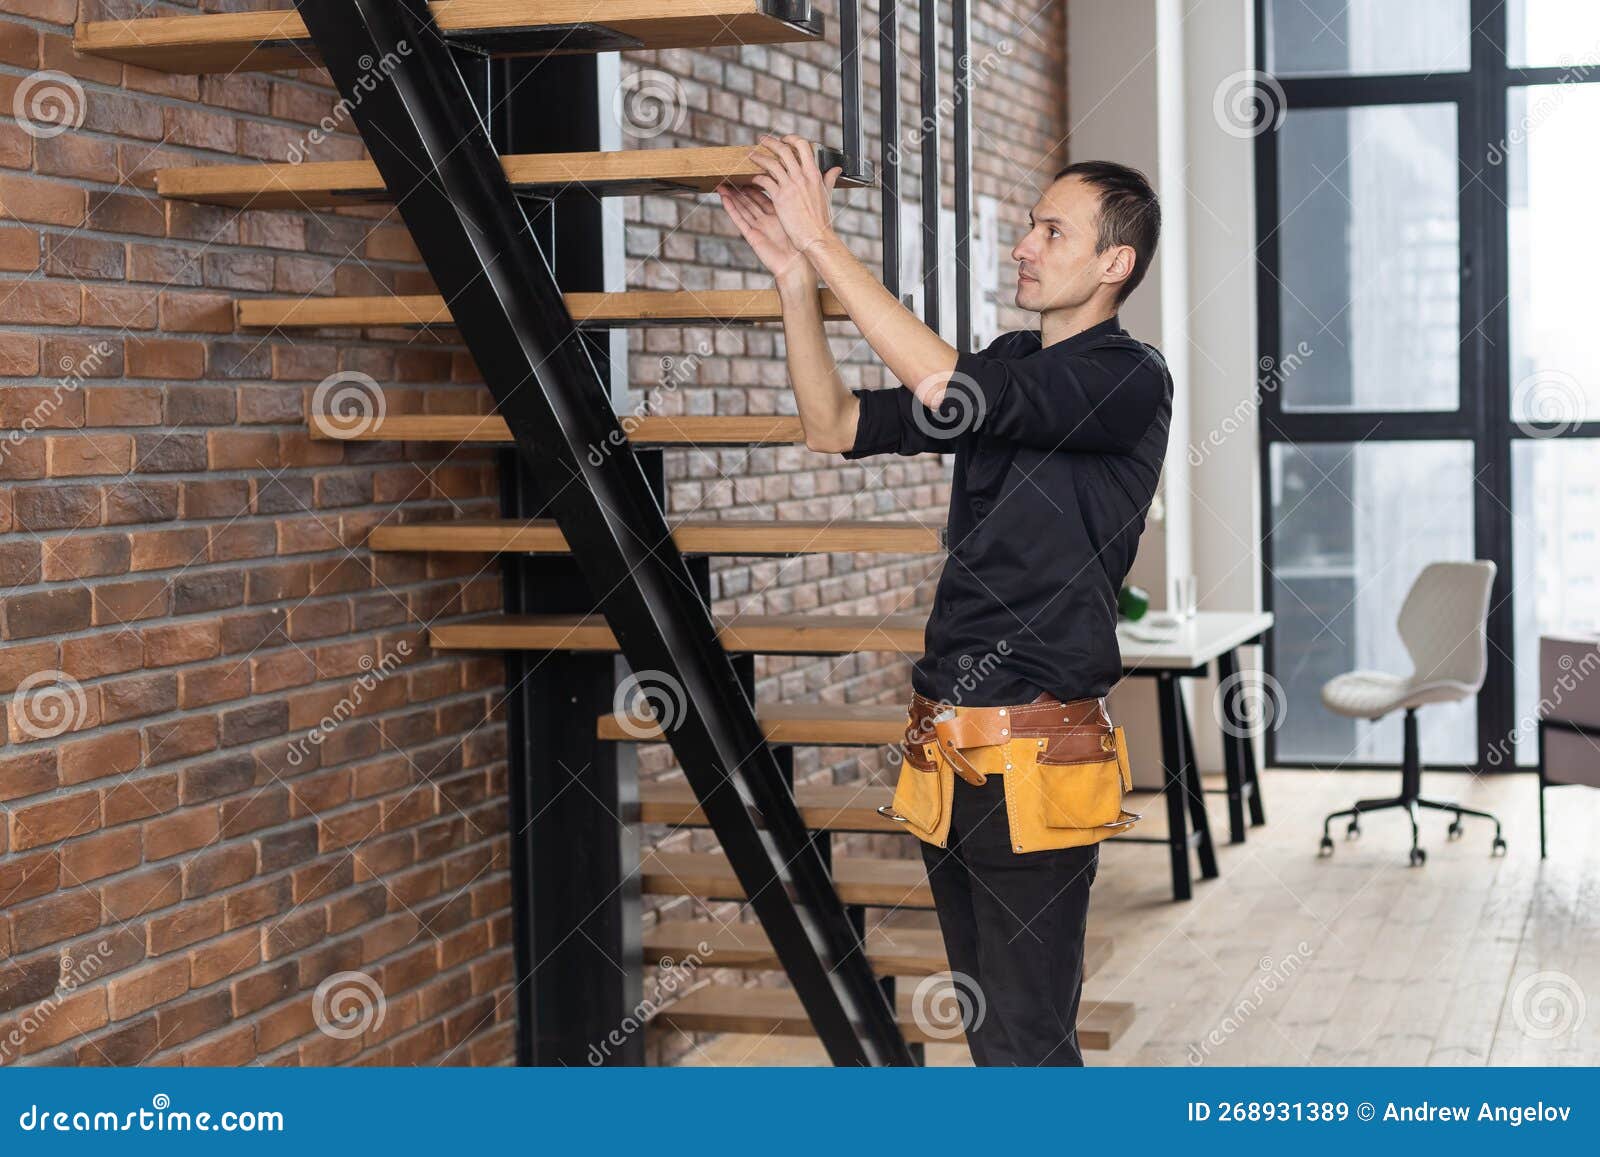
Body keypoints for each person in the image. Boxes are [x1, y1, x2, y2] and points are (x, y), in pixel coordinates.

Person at [718, 139, 1170, 1066]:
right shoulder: (1011, 364)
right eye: (1031, 227)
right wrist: (797, 278)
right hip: (944, 747)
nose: (1026, 245)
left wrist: (826, 238)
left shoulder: (1126, 379)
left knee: (1028, 1041)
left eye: (1054, 230)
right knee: (988, 1030)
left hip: (1036, 758)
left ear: (1114, 264)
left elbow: (944, 383)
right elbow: (833, 424)